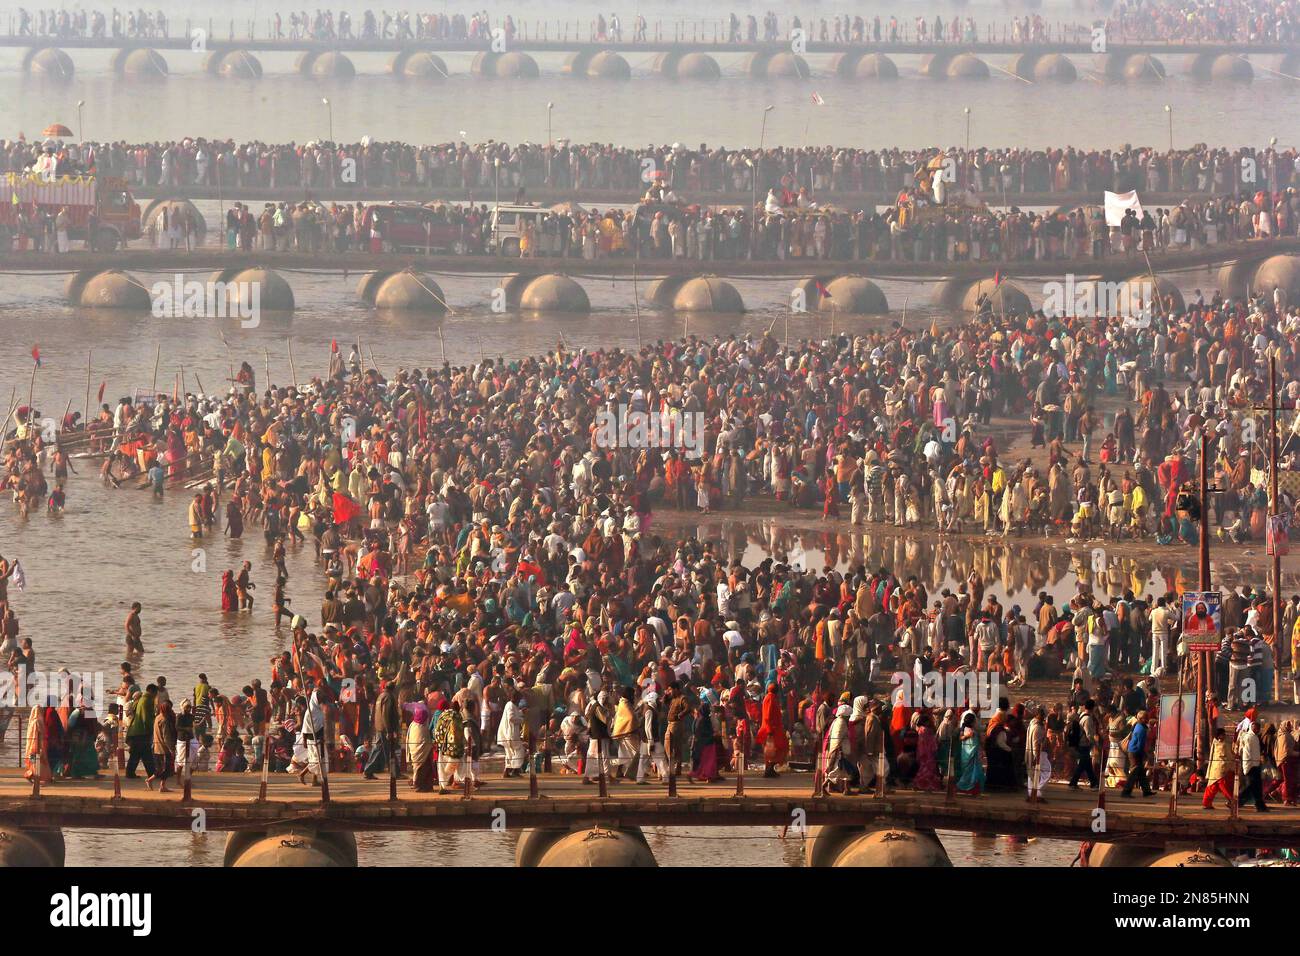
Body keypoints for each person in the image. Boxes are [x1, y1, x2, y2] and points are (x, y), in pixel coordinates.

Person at [755, 679, 788, 777]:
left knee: (773, 750)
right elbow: (768, 716)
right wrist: (770, 731)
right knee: (779, 748)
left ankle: (770, 769)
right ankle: (769, 769)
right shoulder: (770, 698)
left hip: (772, 729)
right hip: (771, 729)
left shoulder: (770, 697)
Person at [1237, 716, 1269, 812]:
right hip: (1251, 765)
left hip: (1256, 764)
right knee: (1251, 786)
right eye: (1255, 728)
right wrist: (1247, 765)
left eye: (1258, 728)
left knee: (1256, 787)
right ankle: (1236, 802)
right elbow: (1246, 752)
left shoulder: (1255, 737)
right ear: (1251, 728)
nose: (1257, 730)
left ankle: (1260, 805)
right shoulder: (1248, 737)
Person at [1120, 710, 1153, 798]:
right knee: (1134, 772)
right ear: (1141, 719)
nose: (1147, 719)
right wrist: (1144, 754)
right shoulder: (1141, 729)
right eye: (1146, 718)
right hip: (1135, 751)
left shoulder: (1138, 725)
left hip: (1134, 750)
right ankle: (1126, 791)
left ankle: (1146, 790)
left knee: (1141, 772)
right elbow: (1140, 744)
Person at [1202, 726, 1234, 810]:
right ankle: (1231, 801)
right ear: (1218, 735)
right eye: (1221, 735)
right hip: (1219, 768)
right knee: (1222, 786)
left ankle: (1207, 803)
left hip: (1221, 768)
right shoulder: (1218, 743)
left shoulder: (1227, 742)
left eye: (1224, 734)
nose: (1223, 736)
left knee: (1213, 787)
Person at [405, 706, 434, 791]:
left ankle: (418, 783)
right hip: (424, 753)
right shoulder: (424, 727)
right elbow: (427, 742)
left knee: (417, 768)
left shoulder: (412, 725)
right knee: (425, 767)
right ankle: (420, 785)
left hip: (414, 752)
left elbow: (408, 739)